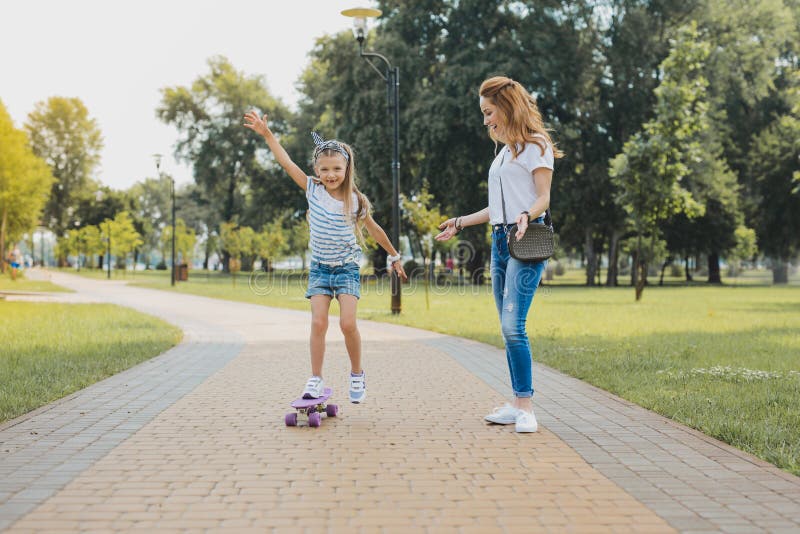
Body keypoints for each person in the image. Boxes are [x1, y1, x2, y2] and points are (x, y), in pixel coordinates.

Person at [243, 110, 407, 403]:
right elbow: (286, 162)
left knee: (347, 324)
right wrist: (267, 134)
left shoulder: (356, 201)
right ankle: (315, 379)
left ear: (347, 170)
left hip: (346, 270)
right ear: (317, 170)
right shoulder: (311, 190)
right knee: (318, 323)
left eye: (336, 169)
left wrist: (394, 256)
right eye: (324, 169)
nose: (330, 175)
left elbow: (376, 231)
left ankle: (357, 373)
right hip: (320, 269)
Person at [436, 76, 563, 432]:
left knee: (513, 326)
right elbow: (496, 209)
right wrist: (460, 223)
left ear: (506, 107)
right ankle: (515, 402)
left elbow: (543, 198)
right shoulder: (504, 153)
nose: (486, 119)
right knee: (507, 329)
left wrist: (526, 215)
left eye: (489, 111)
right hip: (499, 243)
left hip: (525, 240)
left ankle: (526, 408)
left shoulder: (536, 145)